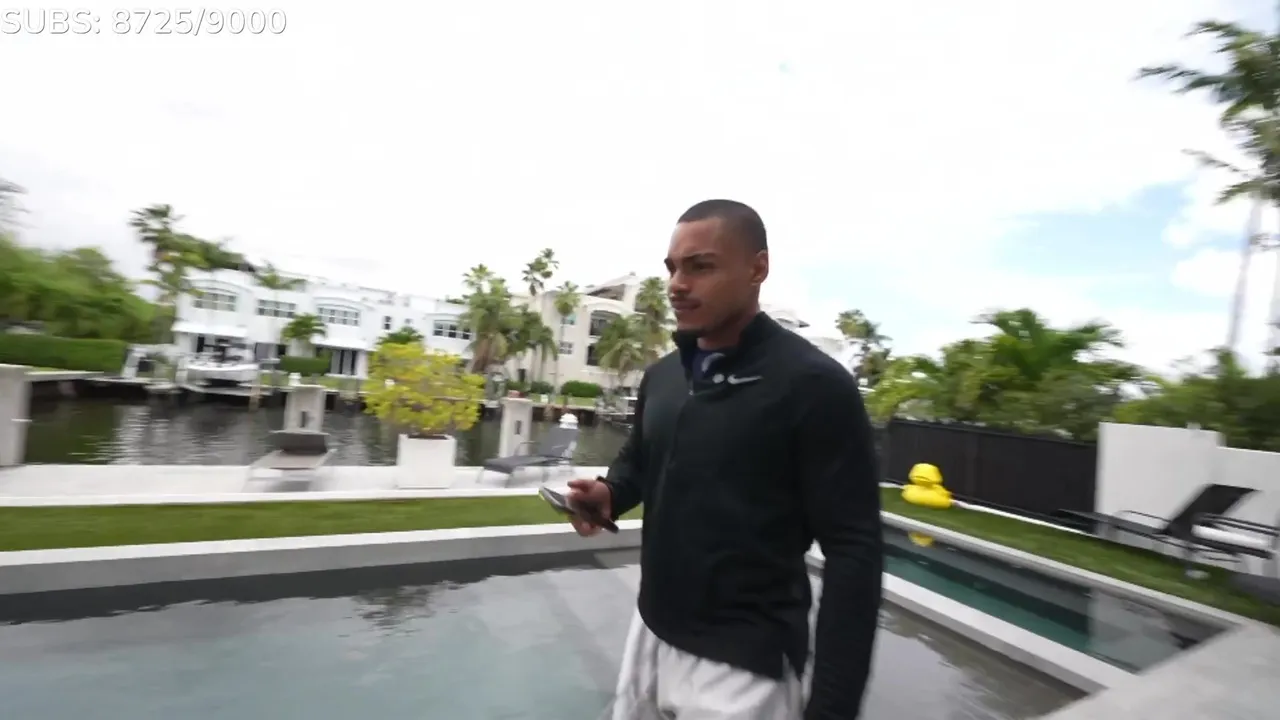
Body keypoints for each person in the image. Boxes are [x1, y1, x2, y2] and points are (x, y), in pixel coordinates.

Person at [567, 199, 884, 719]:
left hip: (743, 666)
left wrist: (832, 707)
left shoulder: (814, 385)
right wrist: (609, 494)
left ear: (758, 268)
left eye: (701, 266)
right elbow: (640, 462)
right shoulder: (664, 376)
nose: (677, 284)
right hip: (650, 632)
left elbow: (854, 553)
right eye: (673, 268)